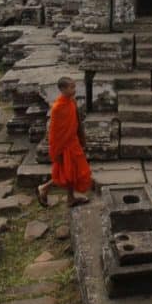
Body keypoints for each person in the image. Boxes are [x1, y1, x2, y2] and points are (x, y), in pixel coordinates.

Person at [36, 76, 92, 207]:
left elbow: (76, 122)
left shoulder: (71, 102)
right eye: (71, 87)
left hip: (73, 142)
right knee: (67, 173)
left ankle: (70, 198)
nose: (74, 90)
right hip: (63, 145)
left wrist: (82, 138)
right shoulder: (57, 108)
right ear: (62, 89)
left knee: (74, 171)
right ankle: (44, 188)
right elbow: (54, 132)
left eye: (74, 87)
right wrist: (57, 150)